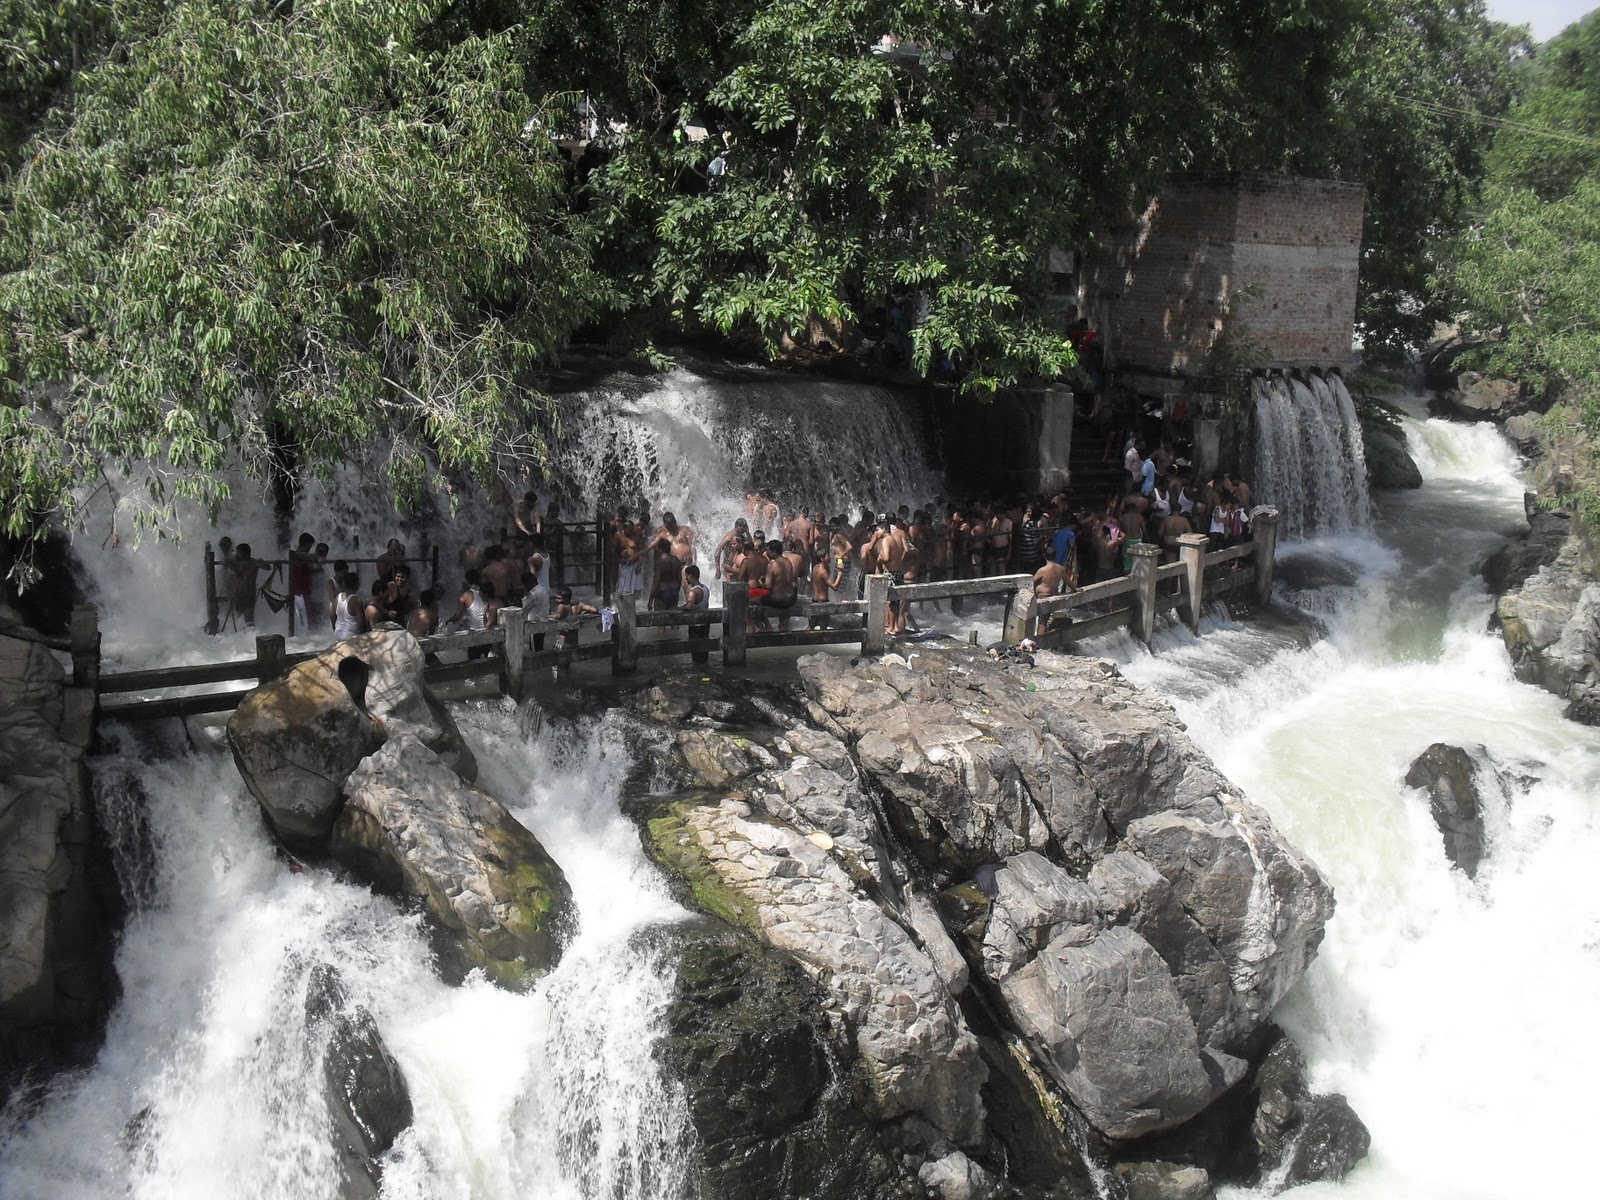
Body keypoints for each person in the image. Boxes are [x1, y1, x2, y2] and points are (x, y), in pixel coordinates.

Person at [224, 543, 270, 628]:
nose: (237, 555)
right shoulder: (235, 562)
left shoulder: (253, 562)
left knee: (249, 619)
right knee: (240, 619)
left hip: (249, 595)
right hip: (237, 595)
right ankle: (244, 637)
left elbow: (268, 568)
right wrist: (229, 563)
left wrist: (262, 562)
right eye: (237, 553)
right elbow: (234, 572)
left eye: (239, 553)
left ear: (246, 554)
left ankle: (251, 636)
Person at [289, 532, 321, 630]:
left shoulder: (305, 558)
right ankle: (302, 641)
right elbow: (309, 556)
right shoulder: (296, 555)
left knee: (309, 620)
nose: (310, 548)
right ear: (305, 544)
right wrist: (318, 556)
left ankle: (309, 641)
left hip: (306, 593)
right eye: (310, 546)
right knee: (303, 623)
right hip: (298, 595)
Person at [651, 536, 681, 610]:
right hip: (674, 591)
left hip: (662, 591)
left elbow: (656, 581)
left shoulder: (660, 561)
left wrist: (650, 600)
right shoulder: (676, 560)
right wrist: (677, 591)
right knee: (672, 618)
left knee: (659, 618)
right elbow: (679, 578)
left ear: (660, 549)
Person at [333, 571, 365, 641]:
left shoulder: (337, 597)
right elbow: (361, 624)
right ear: (357, 584)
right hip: (350, 636)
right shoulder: (356, 600)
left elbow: (332, 615)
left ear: (344, 583)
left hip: (337, 634)